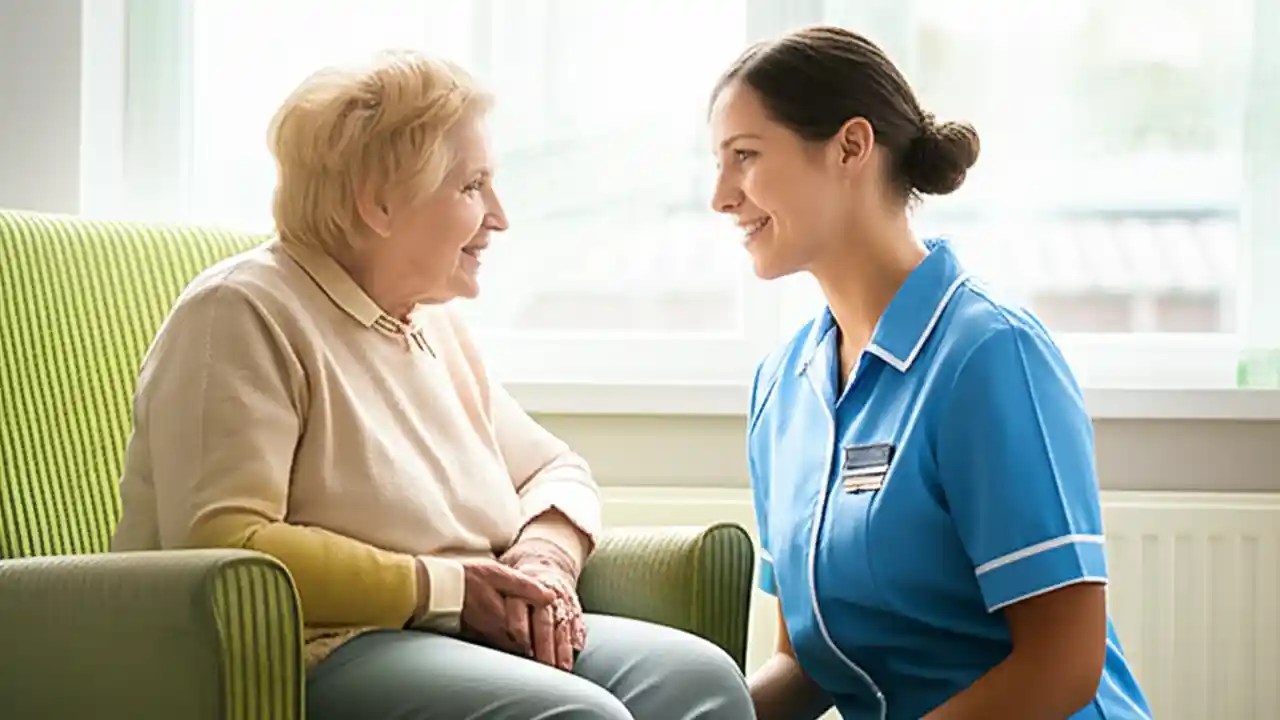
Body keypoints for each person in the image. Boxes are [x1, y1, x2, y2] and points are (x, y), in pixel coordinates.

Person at [111, 49, 753, 720]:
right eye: (473, 185)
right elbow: (228, 539)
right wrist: (448, 586)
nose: (499, 215)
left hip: (457, 633)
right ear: (379, 203)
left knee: (698, 681)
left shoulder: (430, 323)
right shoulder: (241, 312)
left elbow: (553, 468)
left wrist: (544, 557)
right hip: (317, 647)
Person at [708, 26, 1152, 720]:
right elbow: (805, 665)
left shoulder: (992, 355)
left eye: (745, 157)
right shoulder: (780, 388)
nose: (721, 196)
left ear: (851, 147)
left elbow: (1062, 666)